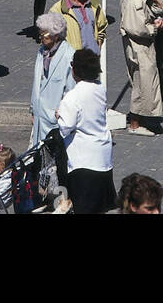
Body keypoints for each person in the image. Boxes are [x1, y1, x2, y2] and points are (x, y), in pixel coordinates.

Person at [56, 47, 115, 214]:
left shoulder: (72, 96)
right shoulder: (100, 89)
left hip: (83, 161)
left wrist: (58, 115)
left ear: (75, 69)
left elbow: (66, 126)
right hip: (102, 156)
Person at [119, 0, 163, 137]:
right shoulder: (133, 1)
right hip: (138, 48)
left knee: (145, 82)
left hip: (142, 47)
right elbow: (136, 27)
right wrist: (154, 27)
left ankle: (141, 118)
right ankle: (135, 123)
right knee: (141, 83)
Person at [28, 11, 76, 148]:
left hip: (54, 118)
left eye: (44, 34)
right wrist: (33, 109)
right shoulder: (41, 52)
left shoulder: (69, 56)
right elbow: (37, 83)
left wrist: (62, 111)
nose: (41, 37)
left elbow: (71, 89)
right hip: (39, 116)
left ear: (56, 35)